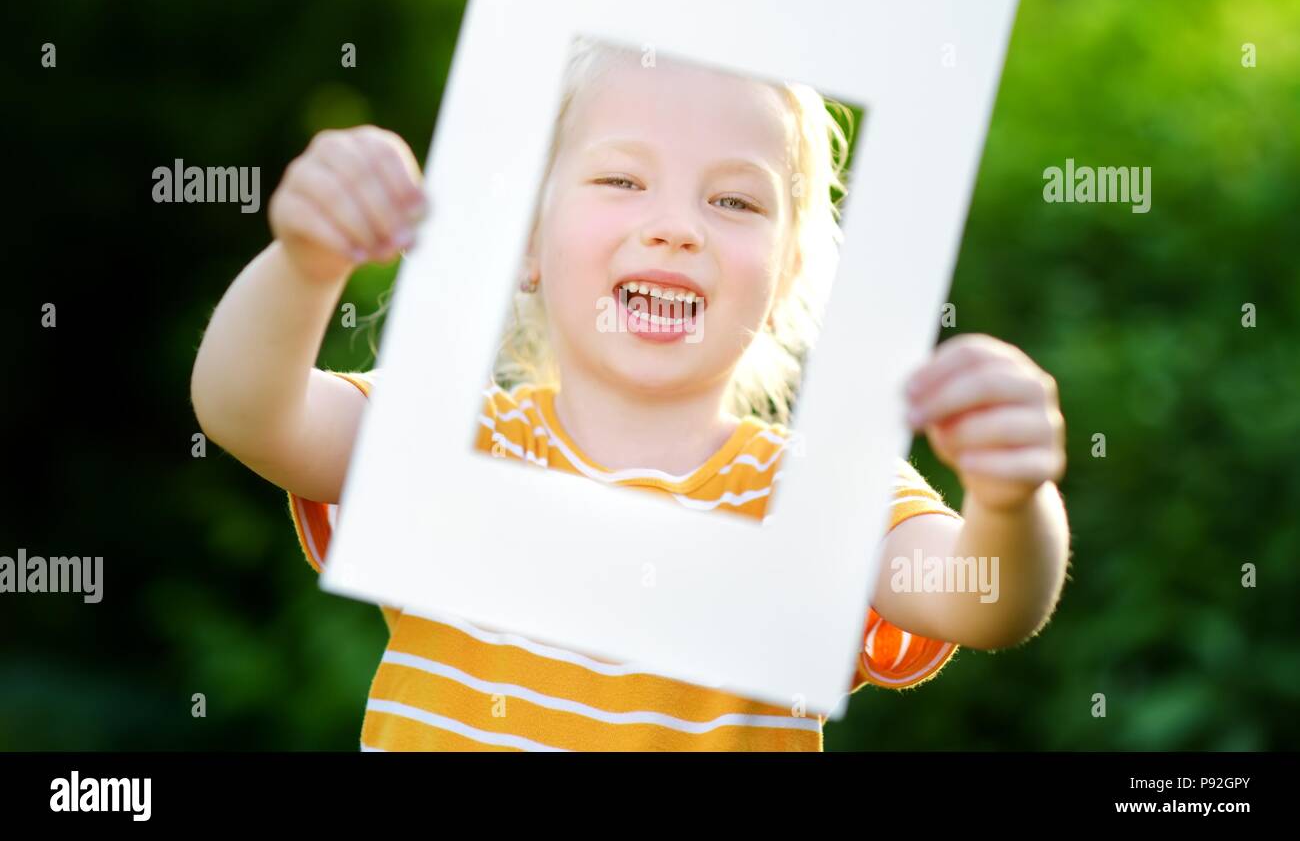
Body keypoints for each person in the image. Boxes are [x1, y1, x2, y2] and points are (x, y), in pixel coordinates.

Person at [191, 39, 1070, 751]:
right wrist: (308, 262)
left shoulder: (815, 498)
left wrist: (1011, 493)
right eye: (621, 181)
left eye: (733, 200)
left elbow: (986, 599)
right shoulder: (456, 442)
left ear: (788, 272)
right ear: (529, 242)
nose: (676, 227)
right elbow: (244, 412)